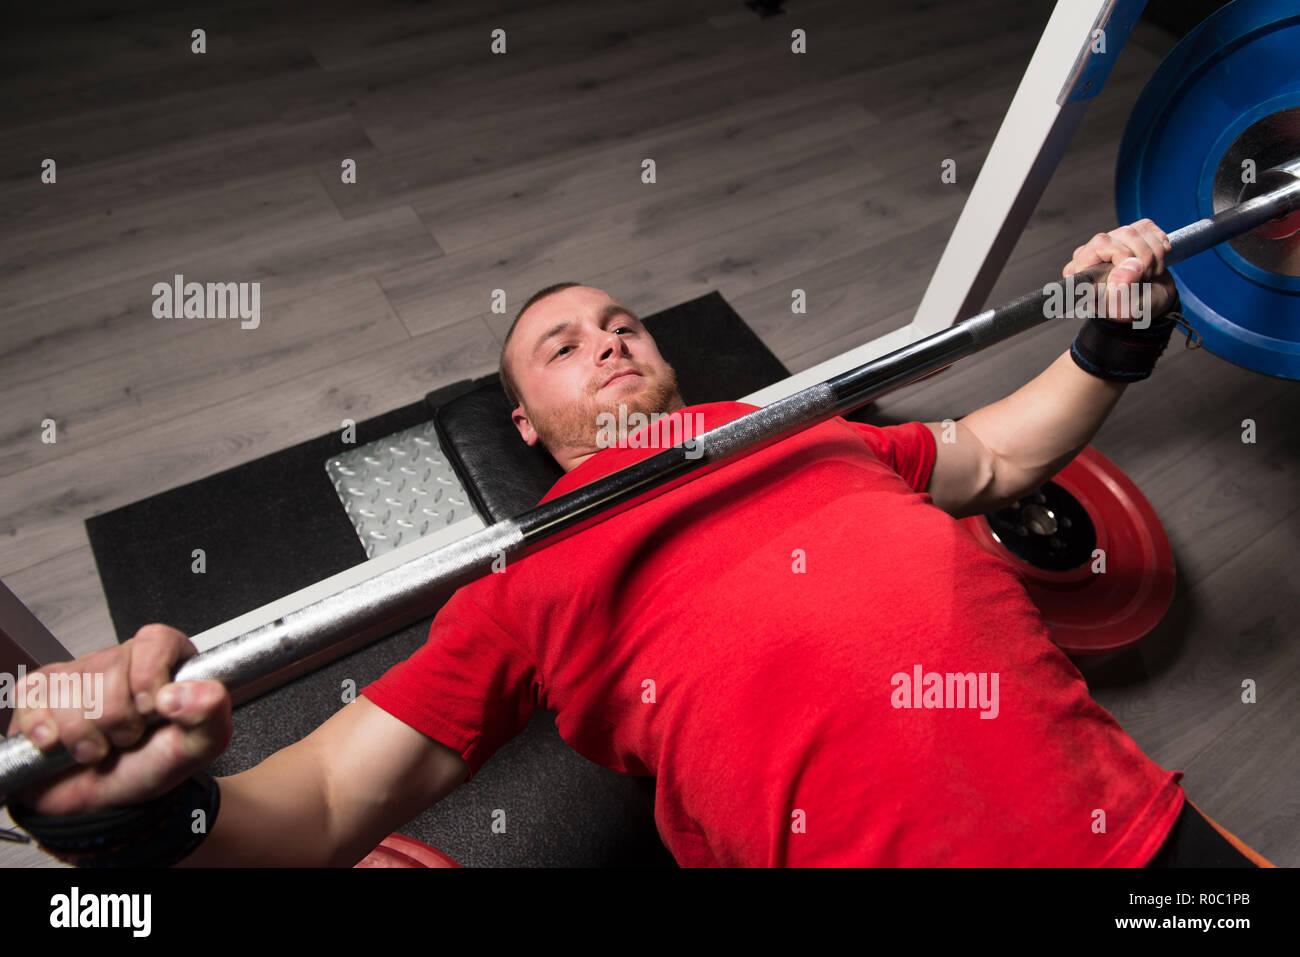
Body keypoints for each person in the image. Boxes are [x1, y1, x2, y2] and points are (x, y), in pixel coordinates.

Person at [3, 221, 1269, 867]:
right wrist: (145, 825)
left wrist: (1113, 334)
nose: (610, 340)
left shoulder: (795, 429)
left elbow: (993, 455)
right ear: (527, 425)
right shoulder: (528, 572)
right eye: (565, 345)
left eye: (625, 325)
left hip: (1138, 843)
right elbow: (334, 798)